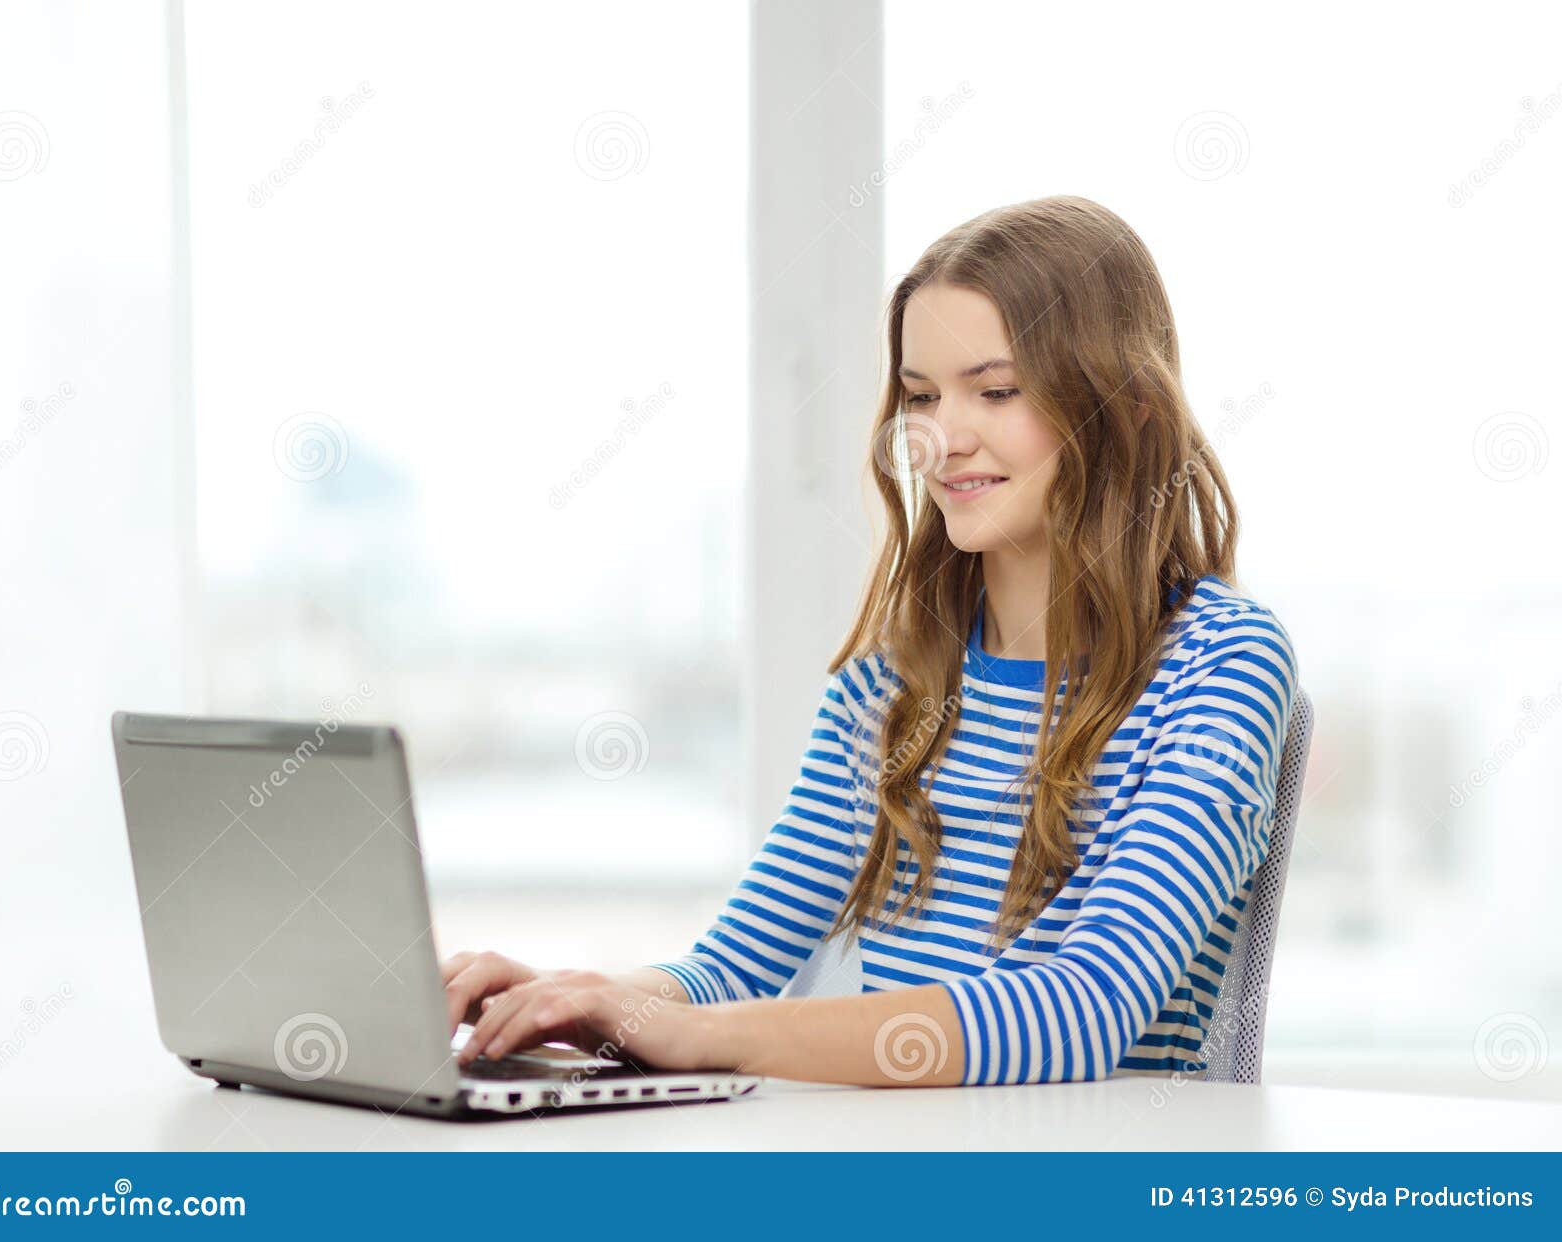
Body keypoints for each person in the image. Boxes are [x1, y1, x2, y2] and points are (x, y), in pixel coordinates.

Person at [442, 195, 1298, 1087]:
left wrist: (684, 1035)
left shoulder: (1221, 664)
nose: (943, 436)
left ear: (1122, 408)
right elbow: (739, 963)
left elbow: (1084, 1010)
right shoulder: (895, 677)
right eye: (922, 396)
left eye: (997, 391)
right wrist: (576, 1000)